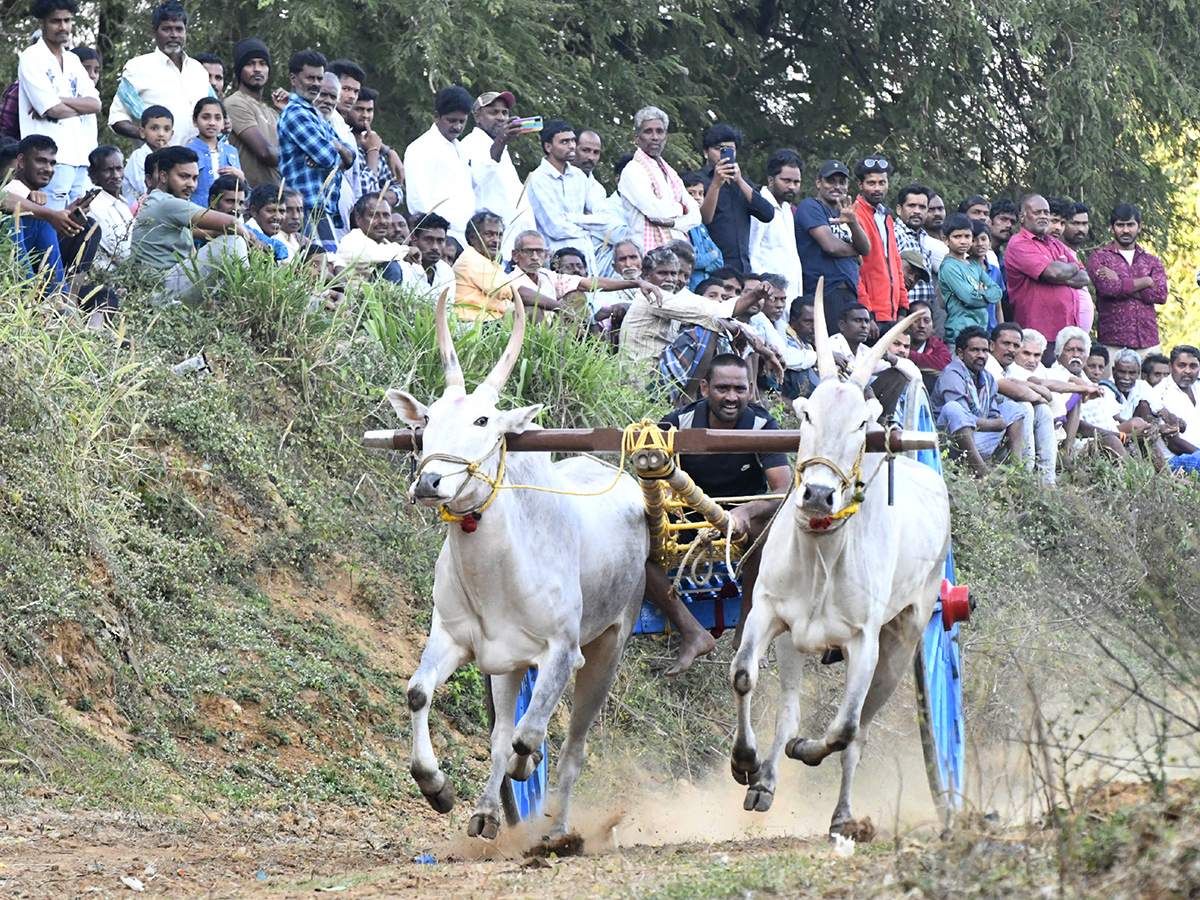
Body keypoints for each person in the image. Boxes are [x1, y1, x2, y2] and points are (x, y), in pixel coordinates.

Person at [652, 353, 792, 674]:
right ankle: (692, 633)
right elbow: (655, 484)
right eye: (723, 388)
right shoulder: (676, 424)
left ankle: (747, 625)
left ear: (751, 390)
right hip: (686, 523)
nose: (731, 397)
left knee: (770, 526)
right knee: (635, 542)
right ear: (704, 389)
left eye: (740, 389)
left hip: (744, 527)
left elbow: (783, 492)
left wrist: (746, 511)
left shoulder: (762, 425)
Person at [130, 144, 262, 304]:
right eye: (183, 177)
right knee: (233, 242)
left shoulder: (160, 201)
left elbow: (211, 233)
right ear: (163, 177)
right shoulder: (168, 204)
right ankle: (247, 301)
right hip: (160, 290)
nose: (191, 184)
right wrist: (257, 243)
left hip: (166, 285)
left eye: (194, 178)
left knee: (228, 242)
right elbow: (231, 223)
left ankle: (233, 302)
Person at [619, 246, 764, 373]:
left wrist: (739, 331)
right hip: (642, 379)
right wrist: (756, 295)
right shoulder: (651, 296)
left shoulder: (673, 298)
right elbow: (708, 311)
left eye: (673, 273)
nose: (670, 279)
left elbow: (705, 310)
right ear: (646, 275)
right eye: (663, 273)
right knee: (705, 331)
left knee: (709, 324)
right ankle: (689, 396)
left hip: (655, 376)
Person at [18, 0, 101, 210]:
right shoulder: (31, 58)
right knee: (53, 221)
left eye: (67, 20)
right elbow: (51, 109)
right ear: (42, 23)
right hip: (50, 159)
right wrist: (56, 105)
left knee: (79, 225)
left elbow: (95, 104)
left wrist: (57, 99)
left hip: (80, 157)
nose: (63, 26)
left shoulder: (73, 60)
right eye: (56, 21)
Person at [107, 2, 214, 146]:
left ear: (185, 32)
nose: (174, 35)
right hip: (157, 162)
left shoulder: (198, 70)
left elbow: (212, 111)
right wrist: (146, 136)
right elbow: (117, 118)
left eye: (179, 29)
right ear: (154, 32)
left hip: (197, 162)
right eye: (167, 29)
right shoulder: (138, 68)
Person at [277, 50, 353, 248]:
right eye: (310, 77)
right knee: (319, 271)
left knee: (328, 268)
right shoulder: (295, 113)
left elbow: (350, 157)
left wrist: (335, 146)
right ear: (293, 79)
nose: (316, 84)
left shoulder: (314, 115)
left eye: (319, 78)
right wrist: (333, 150)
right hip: (305, 208)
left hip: (319, 208)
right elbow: (328, 158)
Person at [932, 326, 1025, 477]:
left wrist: (996, 423)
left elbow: (993, 414)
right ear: (961, 353)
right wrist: (997, 424)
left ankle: (1016, 470)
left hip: (980, 435)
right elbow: (962, 419)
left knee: (1013, 408)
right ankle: (979, 469)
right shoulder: (952, 374)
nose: (981, 355)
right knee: (953, 408)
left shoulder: (987, 377)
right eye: (975, 350)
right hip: (952, 442)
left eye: (985, 351)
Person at [794, 159, 871, 329]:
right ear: (818, 182)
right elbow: (831, 246)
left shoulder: (845, 213)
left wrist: (853, 222)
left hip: (849, 293)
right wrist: (855, 252)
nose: (837, 186)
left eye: (842, 182)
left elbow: (866, 249)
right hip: (825, 292)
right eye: (831, 181)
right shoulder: (811, 206)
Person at [1005, 193, 1089, 346]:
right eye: (1037, 212)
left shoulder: (1054, 243)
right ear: (1022, 217)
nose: (1043, 217)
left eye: (1046, 213)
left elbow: (1084, 278)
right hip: (1039, 334)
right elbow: (1053, 272)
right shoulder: (1019, 243)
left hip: (1066, 333)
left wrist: (1066, 271)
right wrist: (1068, 269)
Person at [1086, 204, 1168, 361]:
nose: (1125, 230)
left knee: (1153, 385)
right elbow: (1108, 289)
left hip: (1148, 341)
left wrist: (1120, 281)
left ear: (1139, 226)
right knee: (1111, 385)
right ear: (1111, 227)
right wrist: (1146, 281)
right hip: (1113, 341)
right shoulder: (1100, 257)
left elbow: (1160, 295)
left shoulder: (1151, 261)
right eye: (1120, 225)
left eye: (1130, 225)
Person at [617, 106, 700, 251]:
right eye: (648, 131)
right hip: (646, 253)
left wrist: (674, 224)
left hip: (677, 252)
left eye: (659, 131)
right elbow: (654, 211)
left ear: (665, 137)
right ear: (636, 137)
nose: (655, 137)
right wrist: (682, 207)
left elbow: (696, 217)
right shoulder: (632, 170)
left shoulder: (671, 173)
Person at [695, 124, 775, 273]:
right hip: (713, 265)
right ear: (706, 152)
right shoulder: (698, 181)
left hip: (742, 266)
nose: (724, 154)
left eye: (730, 150)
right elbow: (703, 219)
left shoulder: (742, 183)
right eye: (719, 149)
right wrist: (716, 184)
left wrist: (739, 181)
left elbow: (767, 214)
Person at [526, 119, 603, 273]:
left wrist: (570, 219)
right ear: (548, 147)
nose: (572, 146)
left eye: (573, 140)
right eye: (564, 142)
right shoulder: (538, 179)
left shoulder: (579, 175)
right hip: (559, 261)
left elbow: (600, 220)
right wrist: (586, 224)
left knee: (591, 295)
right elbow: (555, 228)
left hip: (586, 257)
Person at [459, 90, 531, 254]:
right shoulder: (471, 144)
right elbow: (482, 177)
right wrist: (502, 139)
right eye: (493, 112)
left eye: (505, 113)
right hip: (492, 243)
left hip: (513, 242)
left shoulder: (500, 146)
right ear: (477, 116)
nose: (501, 118)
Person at [985, 322, 1057, 484]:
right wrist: (1031, 392)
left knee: (1043, 410)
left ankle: (1047, 479)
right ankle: (1024, 474)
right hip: (984, 430)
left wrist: (1027, 386)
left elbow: (1046, 393)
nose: (1011, 349)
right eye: (1006, 344)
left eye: (1016, 345)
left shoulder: (1011, 367)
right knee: (1025, 407)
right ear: (992, 345)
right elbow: (1020, 393)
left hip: (1006, 430)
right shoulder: (988, 362)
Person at [404, 86, 475, 245]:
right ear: (437, 116)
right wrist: (436, 237)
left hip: (465, 235)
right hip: (440, 239)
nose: (457, 127)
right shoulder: (422, 147)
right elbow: (418, 202)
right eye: (452, 120)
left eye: (462, 121)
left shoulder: (461, 149)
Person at [853, 154, 906, 330]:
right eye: (871, 183)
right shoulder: (854, 215)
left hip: (891, 313)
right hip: (870, 315)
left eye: (882, 183)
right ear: (860, 185)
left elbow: (896, 264)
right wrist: (866, 312)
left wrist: (903, 308)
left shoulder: (886, 217)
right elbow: (855, 267)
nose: (877, 188)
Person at [223, 38, 285, 188]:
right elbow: (266, 153)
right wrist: (298, 157)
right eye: (250, 64)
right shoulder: (235, 103)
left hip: (277, 201)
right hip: (249, 200)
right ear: (239, 70)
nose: (257, 69)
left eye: (262, 64)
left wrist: (291, 110)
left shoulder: (272, 112)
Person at [938, 213, 1000, 345]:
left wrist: (979, 293)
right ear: (946, 240)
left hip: (980, 334)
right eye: (957, 236)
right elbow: (969, 298)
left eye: (967, 236)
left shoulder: (974, 265)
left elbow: (997, 292)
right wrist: (985, 296)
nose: (963, 241)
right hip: (958, 336)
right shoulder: (949, 266)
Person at [748, 150, 803, 297]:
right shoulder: (760, 207)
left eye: (796, 182)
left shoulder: (787, 208)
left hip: (790, 293)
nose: (792, 186)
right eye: (786, 181)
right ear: (771, 180)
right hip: (768, 293)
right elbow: (752, 253)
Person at [336, 191, 415, 284]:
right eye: (374, 216)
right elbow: (374, 255)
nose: (382, 221)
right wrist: (407, 251)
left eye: (386, 216)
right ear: (358, 218)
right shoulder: (351, 241)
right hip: (355, 297)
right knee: (391, 267)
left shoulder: (387, 245)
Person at [345, 87, 402, 205]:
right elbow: (364, 192)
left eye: (369, 110)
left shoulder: (372, 142)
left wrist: (376, 199)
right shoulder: (345, 144)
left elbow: (397, 191)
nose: (365, 115)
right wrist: (373, 151)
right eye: (359, 109)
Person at [186, 97, 242, 209]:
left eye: (217, 118)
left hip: (228, 215)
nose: (212, 123)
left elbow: (243, 191)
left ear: (223, 123)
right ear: (195, 121)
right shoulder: (187, 152)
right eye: (205, 117)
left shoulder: (231, 151)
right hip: (197, 214)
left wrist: (241, 177)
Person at [86, 144, 133, 269]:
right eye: (108, 170)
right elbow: (123, 255)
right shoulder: (94, 207)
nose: (116, 175)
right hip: (111, 280)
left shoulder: (122, 203)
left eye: (119, 168)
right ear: (93, 175)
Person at [892, 183, 936, 309]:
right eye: (911, 206)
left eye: (922, 207)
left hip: (922, 316)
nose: (917, 211)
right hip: (900, 311)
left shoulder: (924, 238)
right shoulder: (893, 234)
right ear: (899, 209)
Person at [121, 105, 174, 203]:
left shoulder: (172, 158)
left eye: (166, 129)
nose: (161, 134)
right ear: (142, 132)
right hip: (138, 211)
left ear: (171, 134)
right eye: (154, 128)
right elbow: (144, 188)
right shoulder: (138, 157)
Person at [681, 173, 724, 287]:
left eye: (701, 193)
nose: (697, 197)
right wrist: (711, 256)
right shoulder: (682, 225)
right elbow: (691, 261)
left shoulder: (700, 226)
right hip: (689, 287)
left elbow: (720, 260)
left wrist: (703, 265)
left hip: (704, 287)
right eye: (691, 193)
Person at [405, 211, 456, 299]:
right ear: (414, 240)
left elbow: (447, 309)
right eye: (428, 240)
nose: (435, 247)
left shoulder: (446, 271)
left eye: (440, 241)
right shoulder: (404, 268)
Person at [242, 183, 289, 260]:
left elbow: (283, 251)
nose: (277, 217)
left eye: (282, 211)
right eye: (271, 211)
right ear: (253, 211)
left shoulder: (276, 236)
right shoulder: (246, 231)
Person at [906, 298, 951, 373]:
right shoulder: (897, 343)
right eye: (916, 320)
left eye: (927, 321)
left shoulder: (936, 344)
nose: (922, 325)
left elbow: (946, 365)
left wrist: (909, 355)